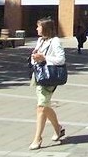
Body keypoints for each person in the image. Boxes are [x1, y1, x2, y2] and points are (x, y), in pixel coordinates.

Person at [29, 17, 66, 150]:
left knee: (41, 107)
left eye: (39, 26)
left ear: (45, 28)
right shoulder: (40, 40)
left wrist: (44, 58)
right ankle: (58, 128)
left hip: (49, 77)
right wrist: (35, 58)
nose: (37, 28)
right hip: (39, 75)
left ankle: (37, 138)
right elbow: (36, 57)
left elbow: (61, 59)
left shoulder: (55, 41)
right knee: (44, 106)